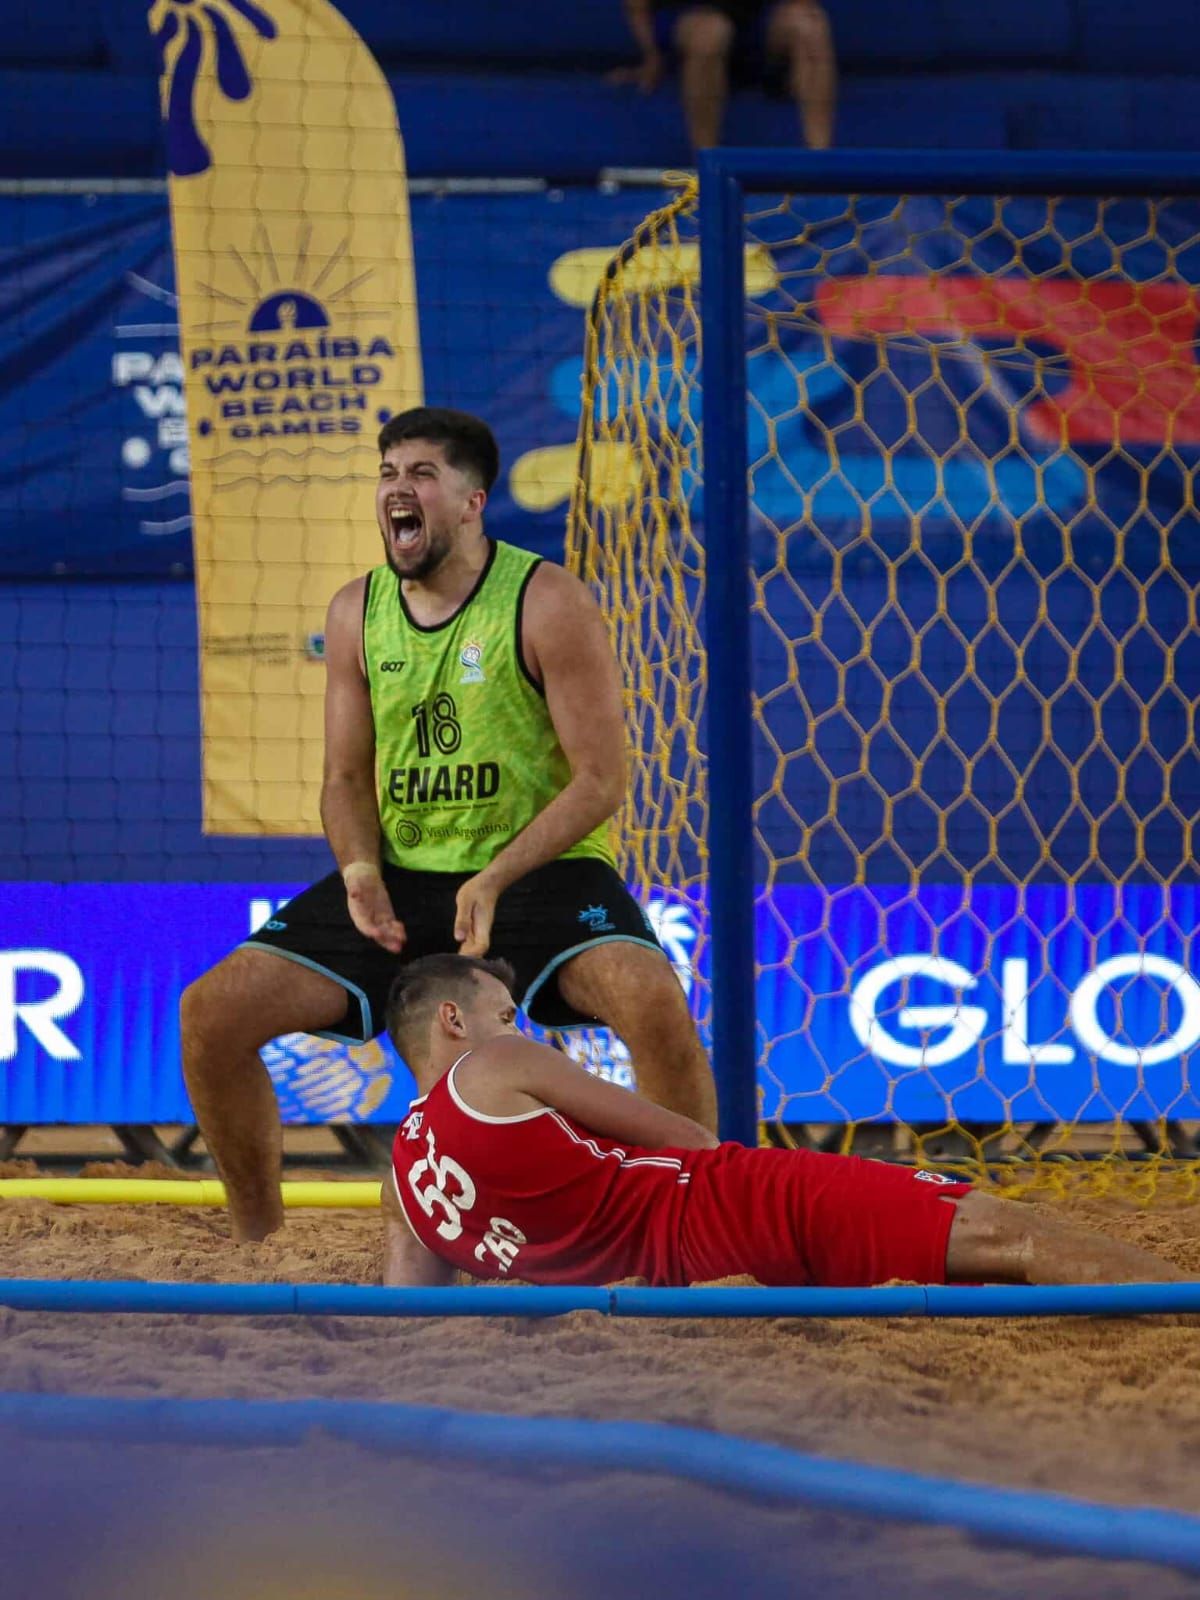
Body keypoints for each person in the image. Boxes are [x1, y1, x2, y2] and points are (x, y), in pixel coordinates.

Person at [181, 407, 717, 1242]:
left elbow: (602, 782)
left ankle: (694, 1233)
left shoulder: (545, 599)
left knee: (653, 1001)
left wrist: (497, 875)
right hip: (403, 875)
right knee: (211, 1014)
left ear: (471, 501)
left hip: (540, 868)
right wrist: (359, 869)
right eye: (389, 473)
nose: (399, 489)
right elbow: (345, 778)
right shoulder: (356, 610)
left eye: (422, 474)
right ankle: (258, 1243)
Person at [381, 953, 1188, 1289]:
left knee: (971, 1267)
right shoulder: (493, 1065)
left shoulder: (401, 1185)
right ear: (454, 1020)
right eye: (505, 1011)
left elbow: (415, 1320)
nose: (522, 1025)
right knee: (996, 1234)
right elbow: (688, 1139)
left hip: (666, 1287)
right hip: (727, 1209)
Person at [613, 0, 836, 154]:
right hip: (689, 19)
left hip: (754, 24)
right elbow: (637, 5)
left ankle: (820, 160)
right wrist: (652, 57)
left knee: (810, 24)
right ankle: (707, 167)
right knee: (710, 33)